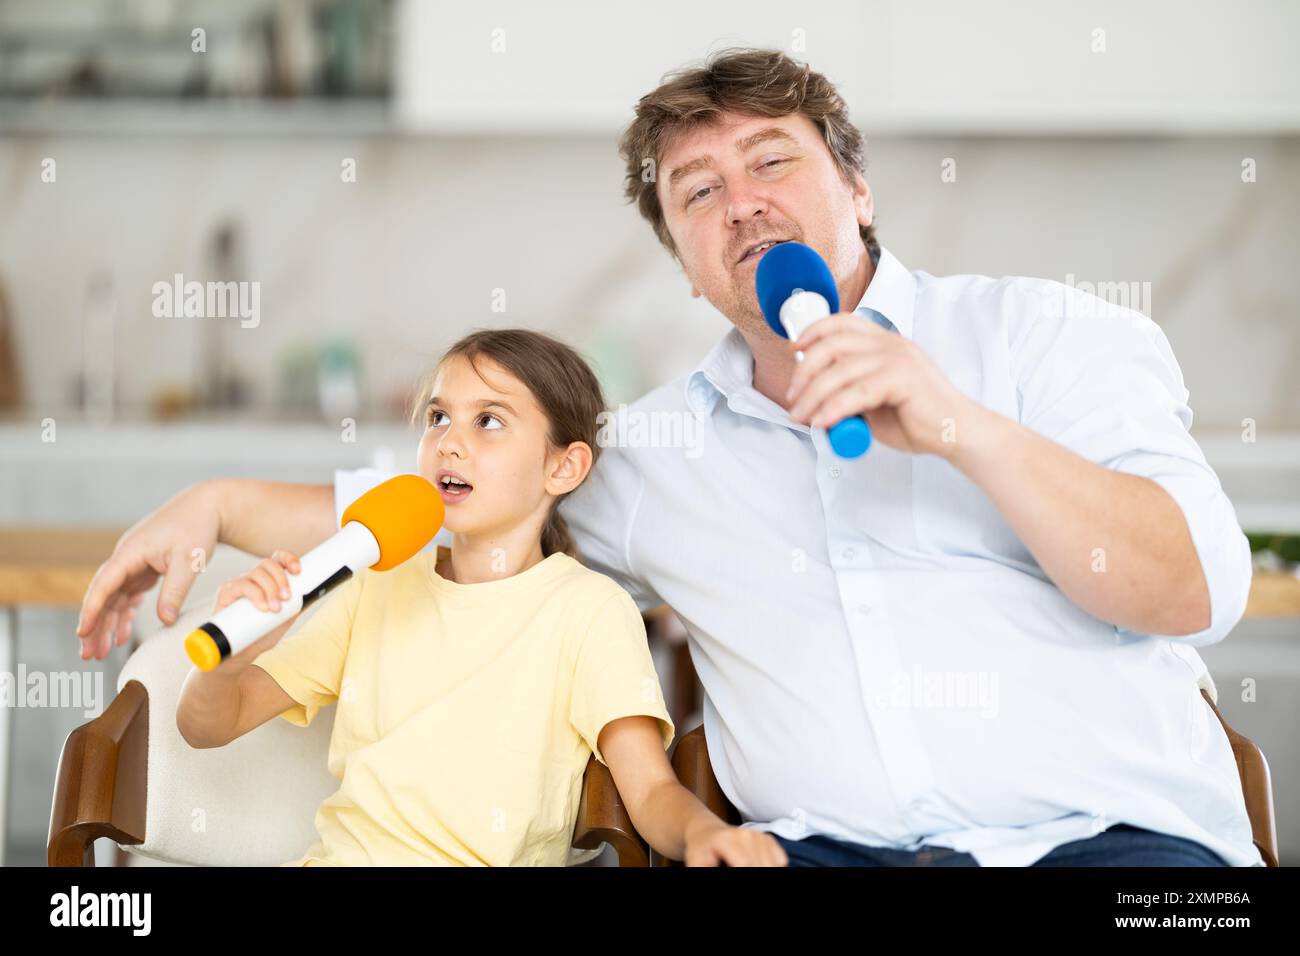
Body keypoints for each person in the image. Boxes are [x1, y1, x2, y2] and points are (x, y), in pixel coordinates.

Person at [79, 49, 1258, 866]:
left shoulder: (1046, 336)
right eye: (698, 190)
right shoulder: (644, 455)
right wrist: (213, 501)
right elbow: (440, 502)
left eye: (772, 162)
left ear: (855, 185)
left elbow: (1195, 587)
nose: (739, 202)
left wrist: (961, 427)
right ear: (686, 267)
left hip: (1120, 843)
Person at [174, 328, 786, 866]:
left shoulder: (588, 612)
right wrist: (230, 662)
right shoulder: (378, 581)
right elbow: (210, 725)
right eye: (438, 417)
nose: (449, 442)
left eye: (488, 421)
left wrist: (705, 834)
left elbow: (650, 791)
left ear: (564, 468)